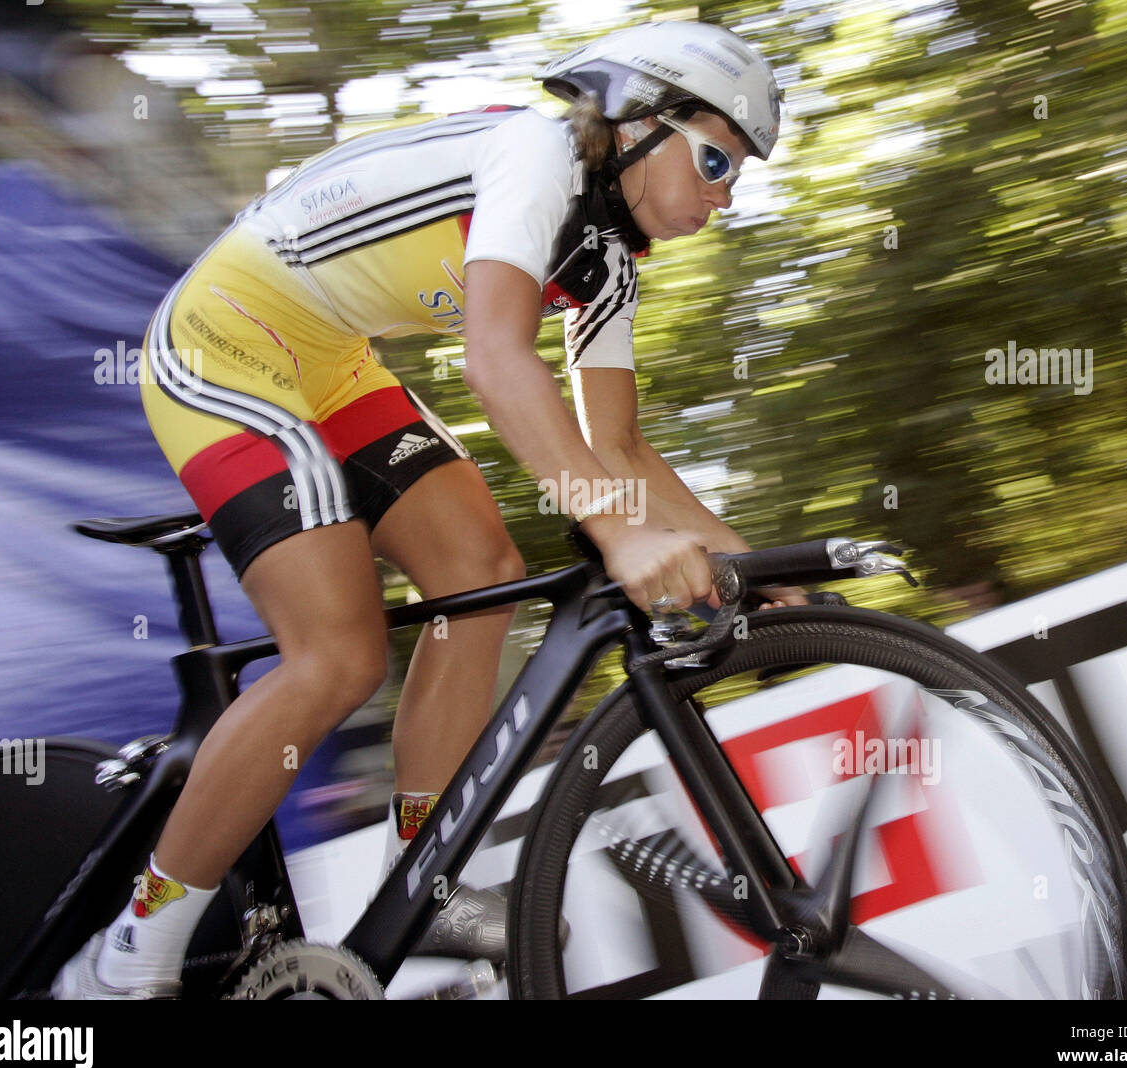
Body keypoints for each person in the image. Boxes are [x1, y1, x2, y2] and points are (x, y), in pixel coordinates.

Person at [53, 17, 804, 999]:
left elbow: (617, 446)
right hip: (223, 340)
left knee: (480, 576)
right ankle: (128, 955)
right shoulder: (538, 153)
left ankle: (425, 870)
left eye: (735, 173)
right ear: (636, 124)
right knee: (340, 653)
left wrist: (756, 569)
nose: (724, 191)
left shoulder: (608, 259)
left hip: (330, 365)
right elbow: (497, 361)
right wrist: (618, 533)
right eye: (713, 158)